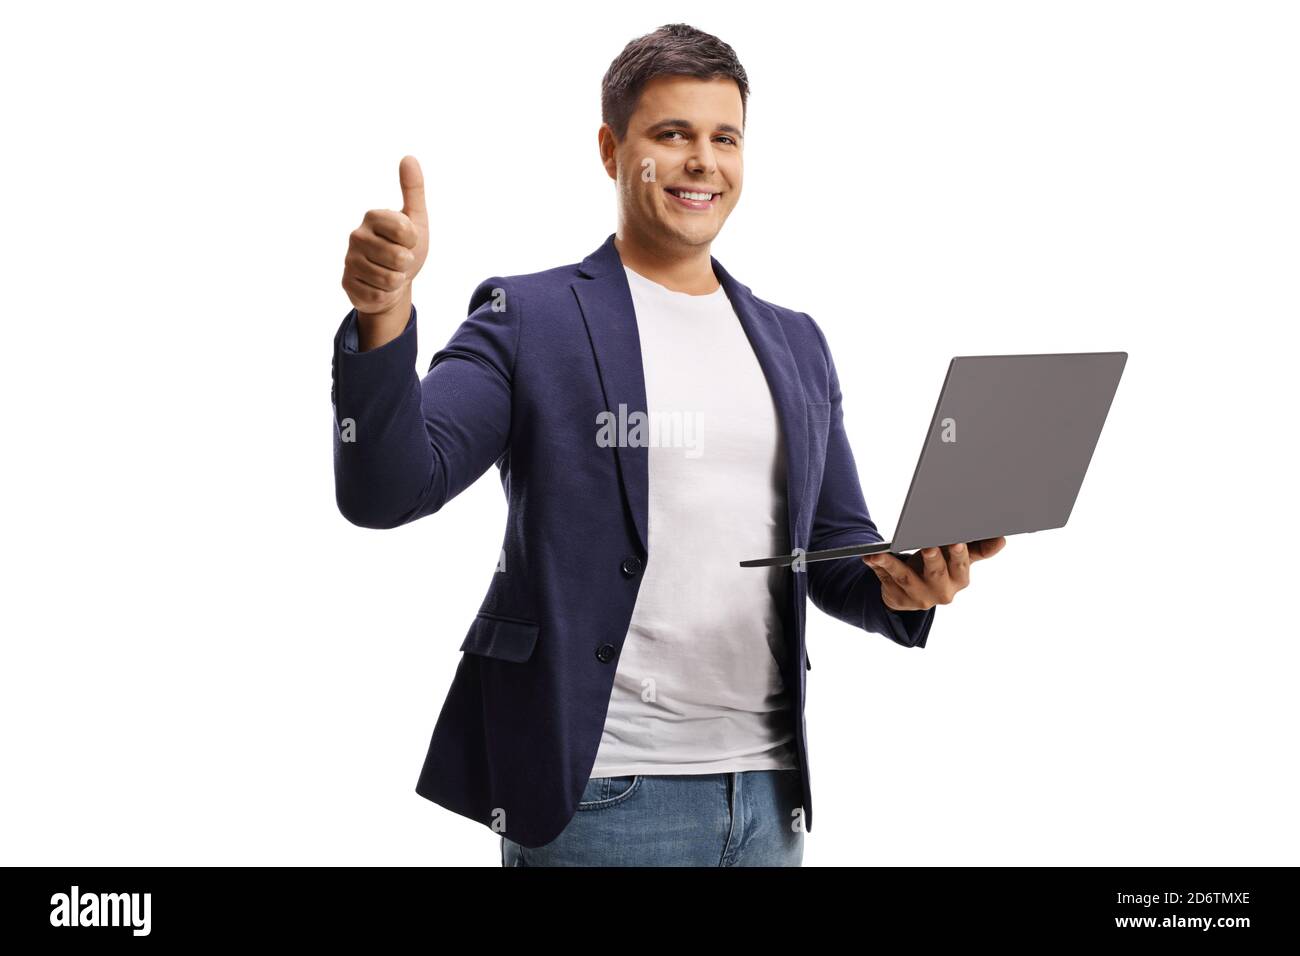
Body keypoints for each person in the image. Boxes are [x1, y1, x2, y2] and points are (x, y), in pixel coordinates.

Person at [330, 23, 1005, 867]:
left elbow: (832, 552)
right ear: (613, 150)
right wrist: (382, 315)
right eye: (673, 134)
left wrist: (907, 588)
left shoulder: (796, 343)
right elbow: (388, 489)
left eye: (725, 138)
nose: (703, 161)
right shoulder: (527, 319)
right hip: (605, 797)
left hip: (766, 794)